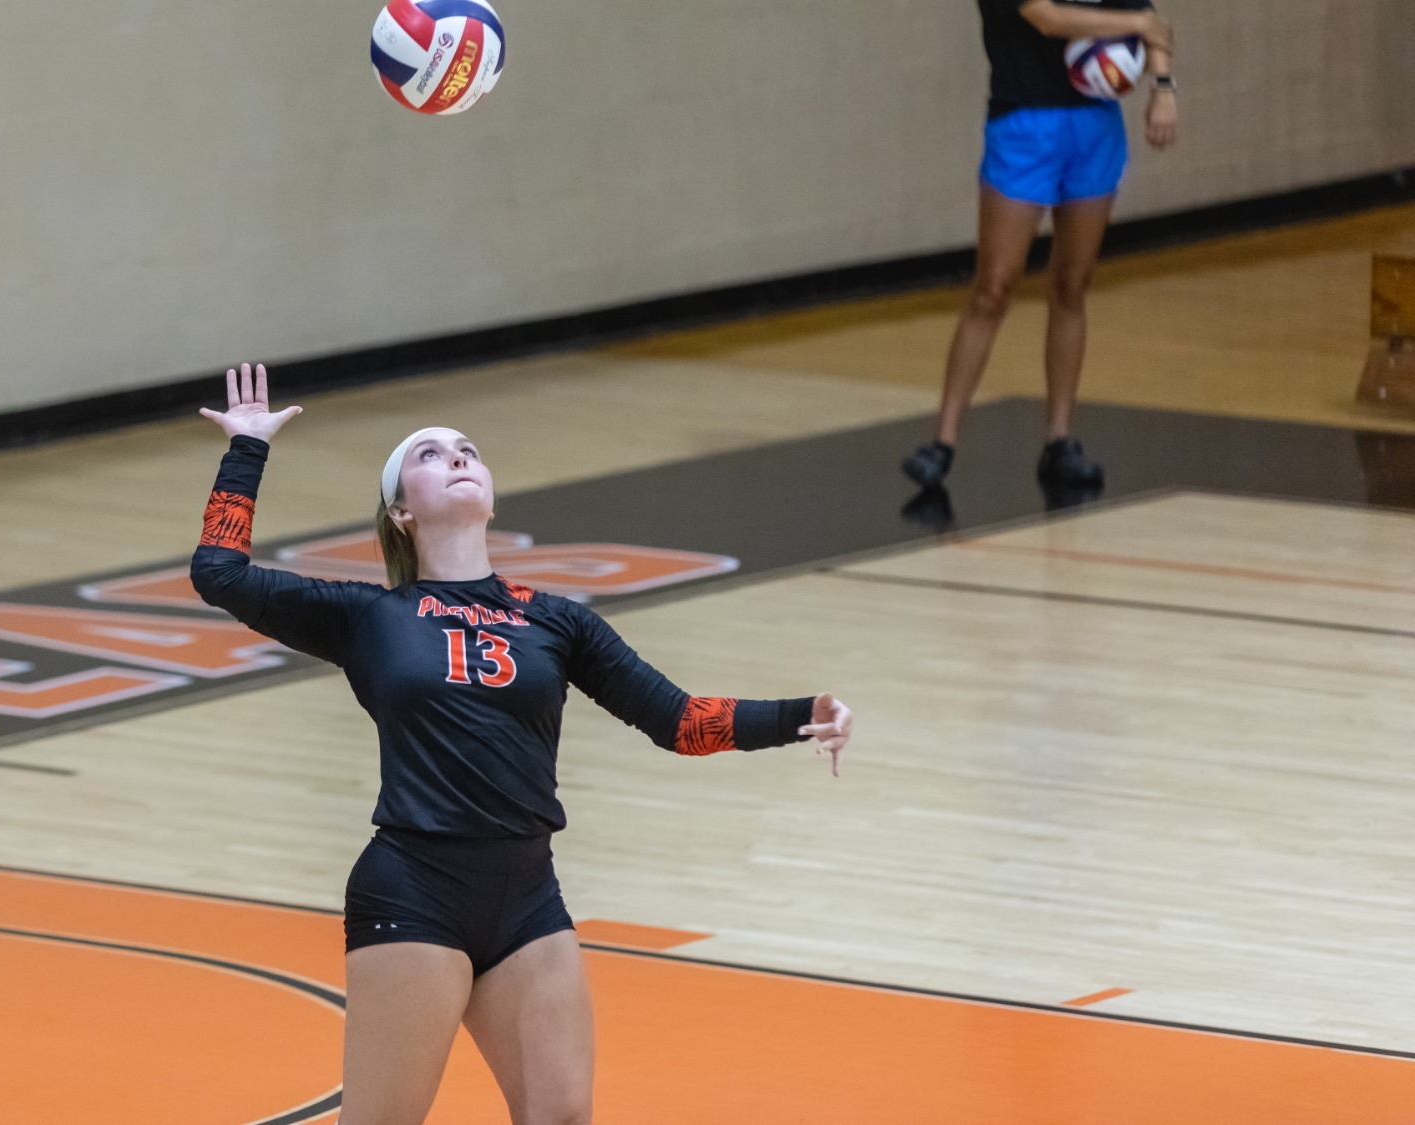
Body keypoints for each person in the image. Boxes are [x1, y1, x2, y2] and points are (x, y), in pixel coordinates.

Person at [192, 364, 854, 1125]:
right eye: (430, 455)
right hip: (415, 891)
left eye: (467, 449)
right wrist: (246, 448)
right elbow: (220, 573)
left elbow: (677, 720)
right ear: (401, 511)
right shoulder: (367, 615)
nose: (458, 457)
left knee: (563, 1117)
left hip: (528, 896)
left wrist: (804, 711)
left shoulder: (558, 621)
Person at [903, 0, 1179, 492]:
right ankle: (942, 443)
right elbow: (1048, 17)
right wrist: (1137, 26)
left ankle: (1059, 441)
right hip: (1024, 125)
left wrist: (1162, 87)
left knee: (1072, 285)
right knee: (994, 286)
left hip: (1094, 126)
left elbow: (1152, 21)